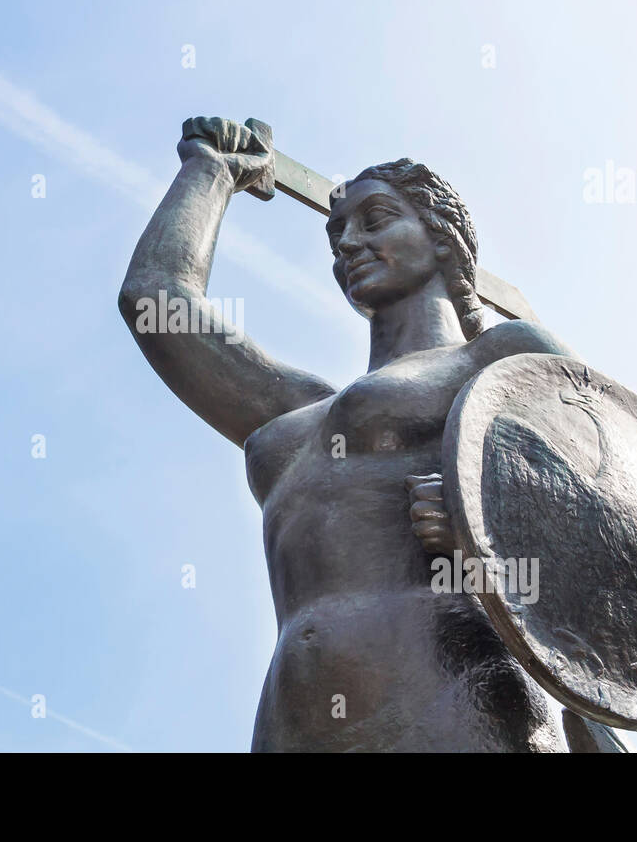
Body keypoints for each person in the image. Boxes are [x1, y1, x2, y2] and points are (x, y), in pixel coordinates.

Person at [119, 117, 580, 751]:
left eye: (376, 220)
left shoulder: (501, 358)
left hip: (455, 705)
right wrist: (211, 170)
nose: (348, 245)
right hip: (295, 719)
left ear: (442, 238)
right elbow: (154, 300)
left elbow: (599, 542)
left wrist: (485, 528)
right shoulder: (298, 410)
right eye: (337, 233)